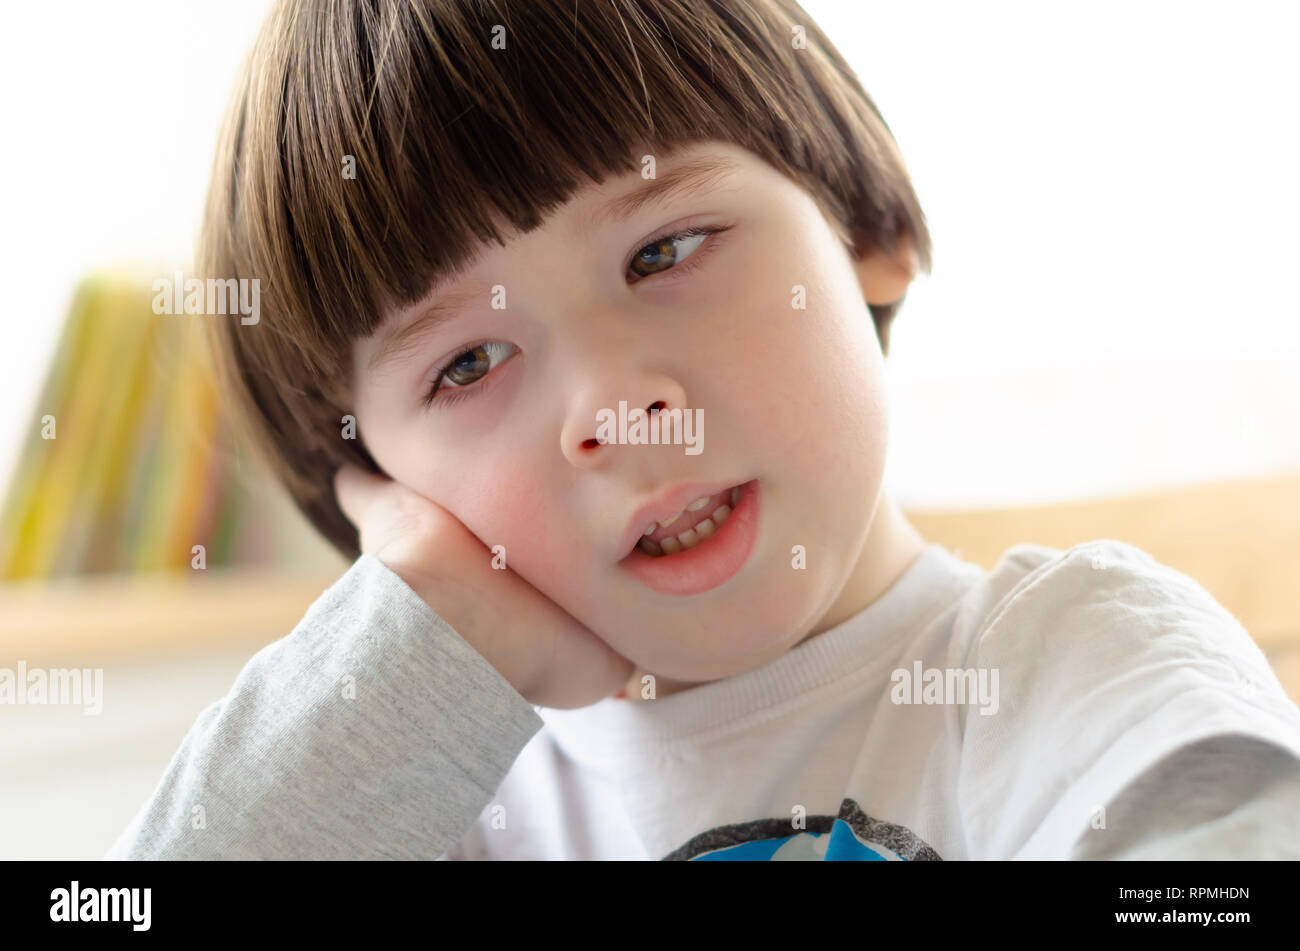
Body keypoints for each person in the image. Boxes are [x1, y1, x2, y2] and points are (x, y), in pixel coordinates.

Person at [106, 0, 1300, 860]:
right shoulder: (426, 806)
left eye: (663, 250)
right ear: (380, 486)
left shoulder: (1079, 673)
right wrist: (408, 652)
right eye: (467, 362)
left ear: (862, 228)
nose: (615, 409)